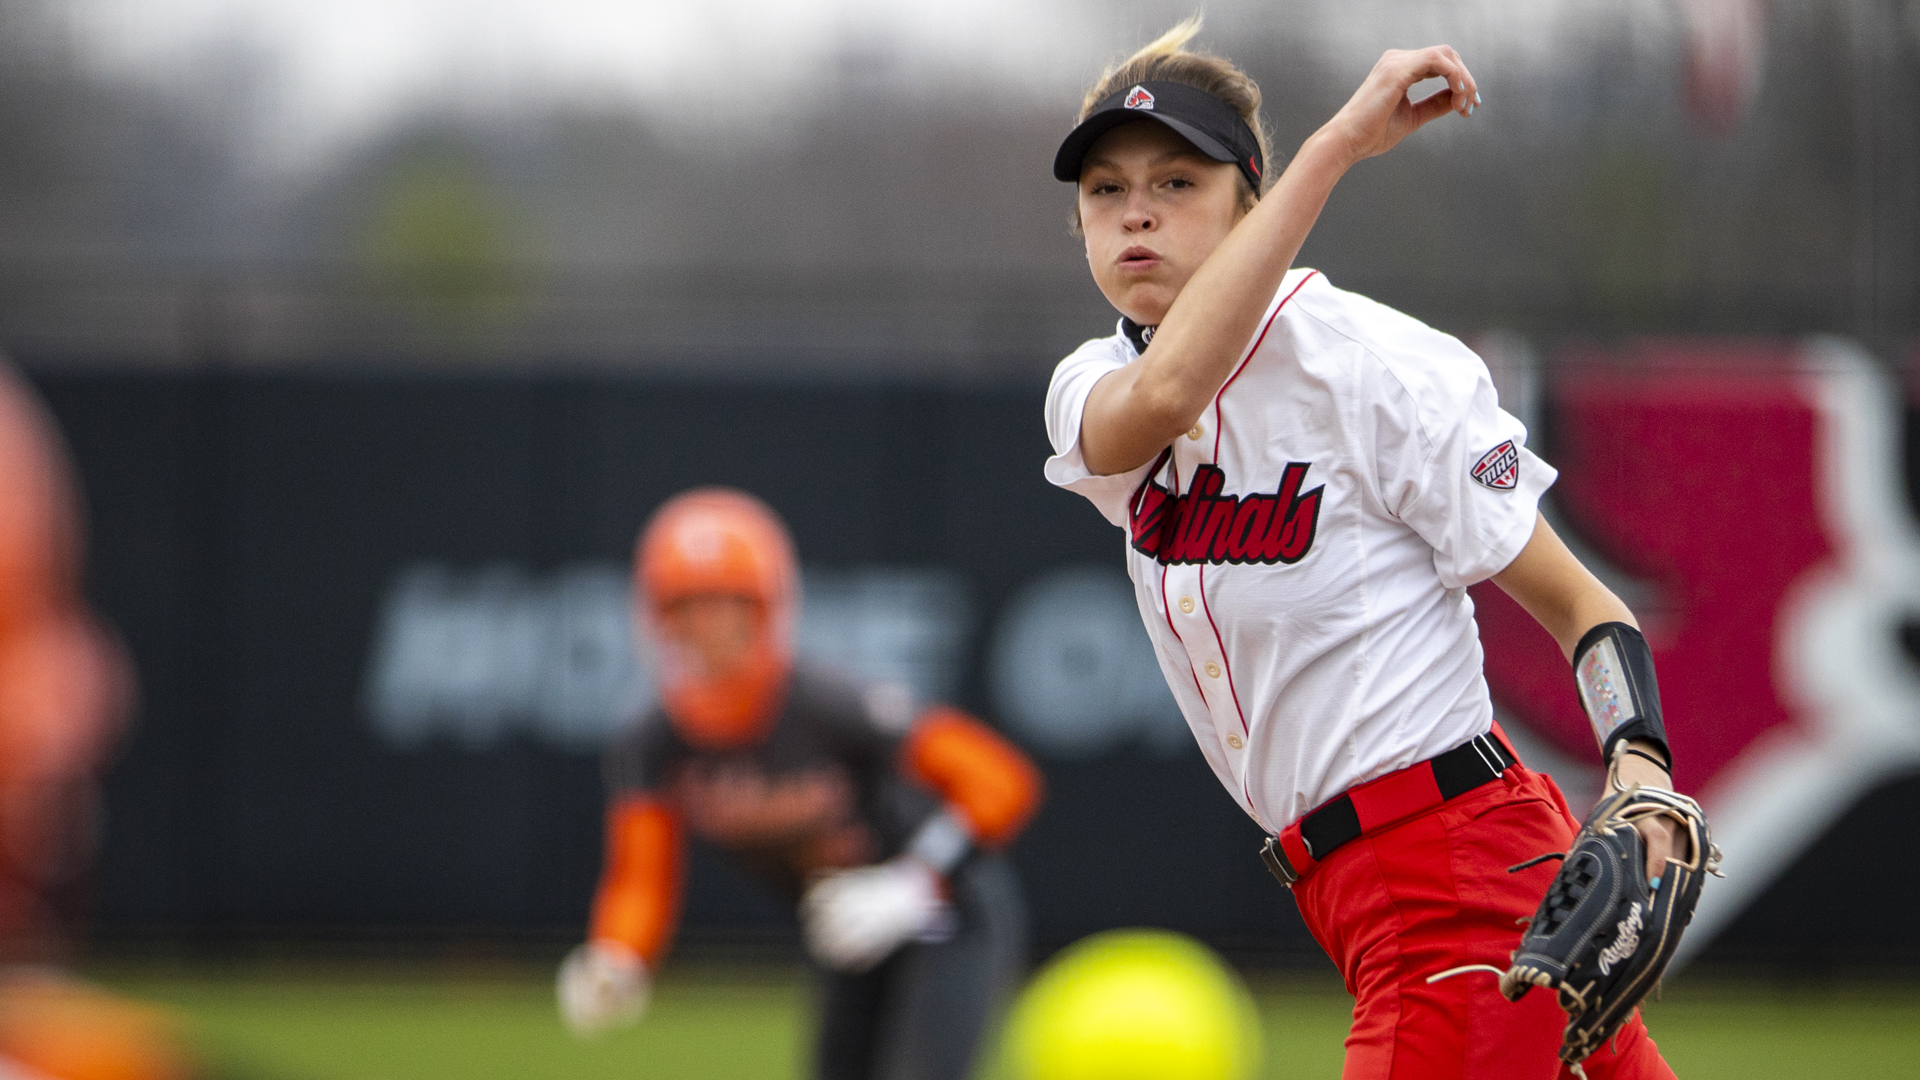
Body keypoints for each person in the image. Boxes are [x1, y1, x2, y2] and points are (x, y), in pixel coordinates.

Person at [1043, 19, 1688, 1080]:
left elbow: (1589, 610)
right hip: (1362, 896)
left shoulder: (1376, 370)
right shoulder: (1092, 384)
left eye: (1177, 181)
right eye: (1105, 190)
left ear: (1253, 200)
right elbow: (1163, 397)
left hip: (1456, 887)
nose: (1137, 212)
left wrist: (1638, 756)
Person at [557, 487, 1042, 1080]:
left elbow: (1001, 779)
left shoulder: (828, 707)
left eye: (725, 608)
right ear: (656, 618)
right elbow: (641, 879)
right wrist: (617, 958)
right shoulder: (651, 744)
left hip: (947, 914)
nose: (706, 631)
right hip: (845, 931)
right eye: (686, 608)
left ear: (764, 611)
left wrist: (916, 881)